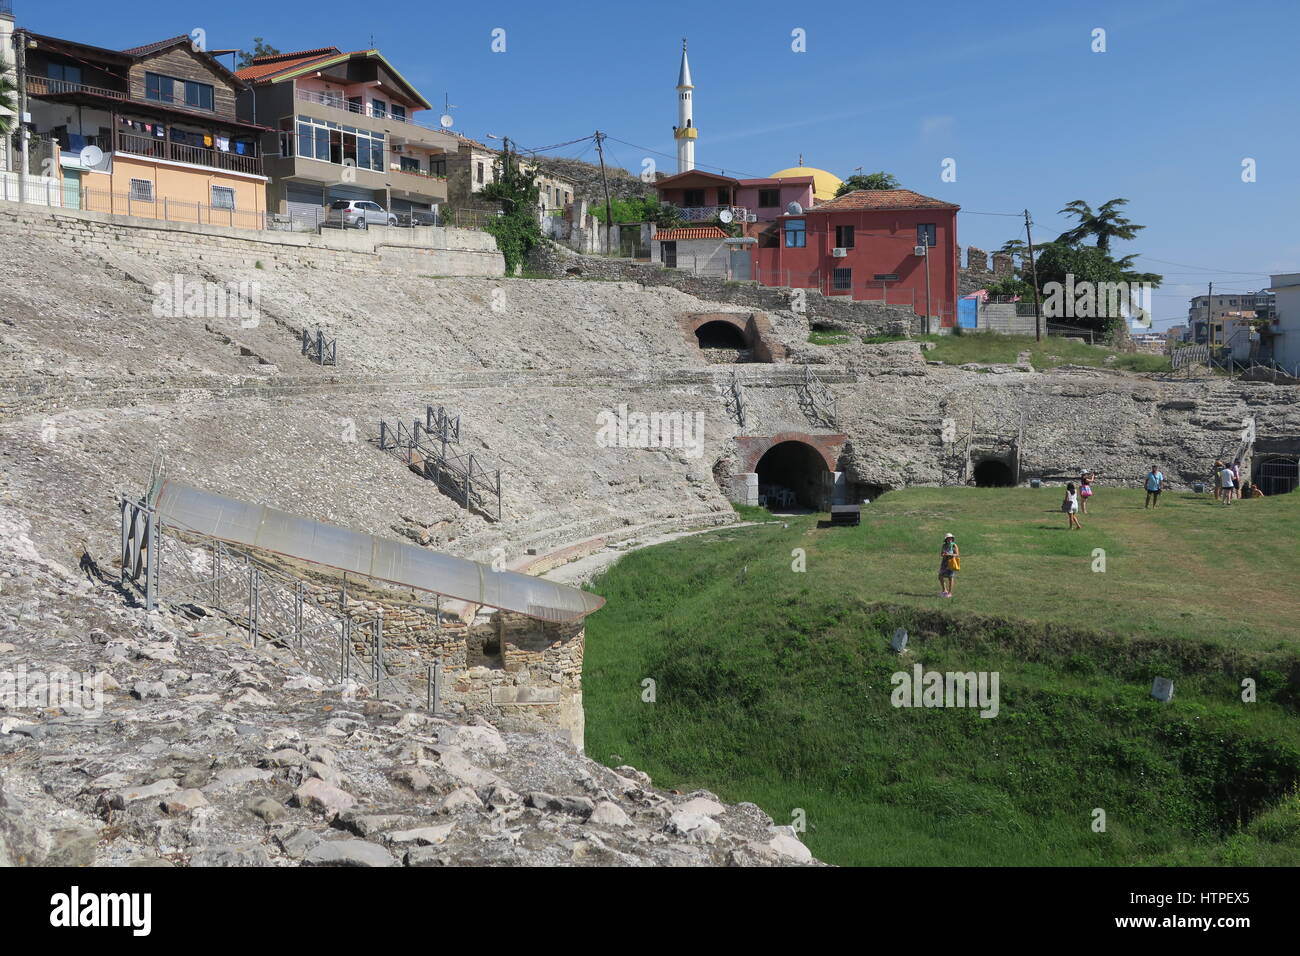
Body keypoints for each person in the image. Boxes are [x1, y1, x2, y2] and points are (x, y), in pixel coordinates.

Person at [938, 533, 959, 598]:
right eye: (948, 538)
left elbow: (957, 554)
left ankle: (949, 593)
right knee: (940, 576)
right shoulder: (944, 545)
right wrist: (944, 554)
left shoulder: (954, 545)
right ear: (946, 539)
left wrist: (950, 555)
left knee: (950, 577)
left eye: (951, 538)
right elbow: (941, 554)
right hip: (944, 562)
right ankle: (944, 590)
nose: (949, 539)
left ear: (952, 539)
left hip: (951, 562)